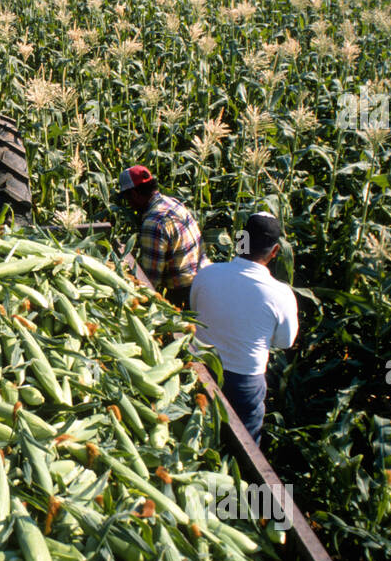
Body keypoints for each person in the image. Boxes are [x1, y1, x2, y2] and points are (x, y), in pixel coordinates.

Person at [189, 212, 299, 445]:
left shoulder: (206, 274)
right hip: (244, 382)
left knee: (197, 434)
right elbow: (284, 342)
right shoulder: (281, 294)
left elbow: (194, 310)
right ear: (275, 251)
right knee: (243, 449)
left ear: (240, 240)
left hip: (200, 370)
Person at [116, 165, 207, 309]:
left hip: (184, 294)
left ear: (134, 194)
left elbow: (149, 280)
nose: (129, 205)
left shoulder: (154, 223)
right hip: (205, 282)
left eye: (127, 199)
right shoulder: (173, 203)